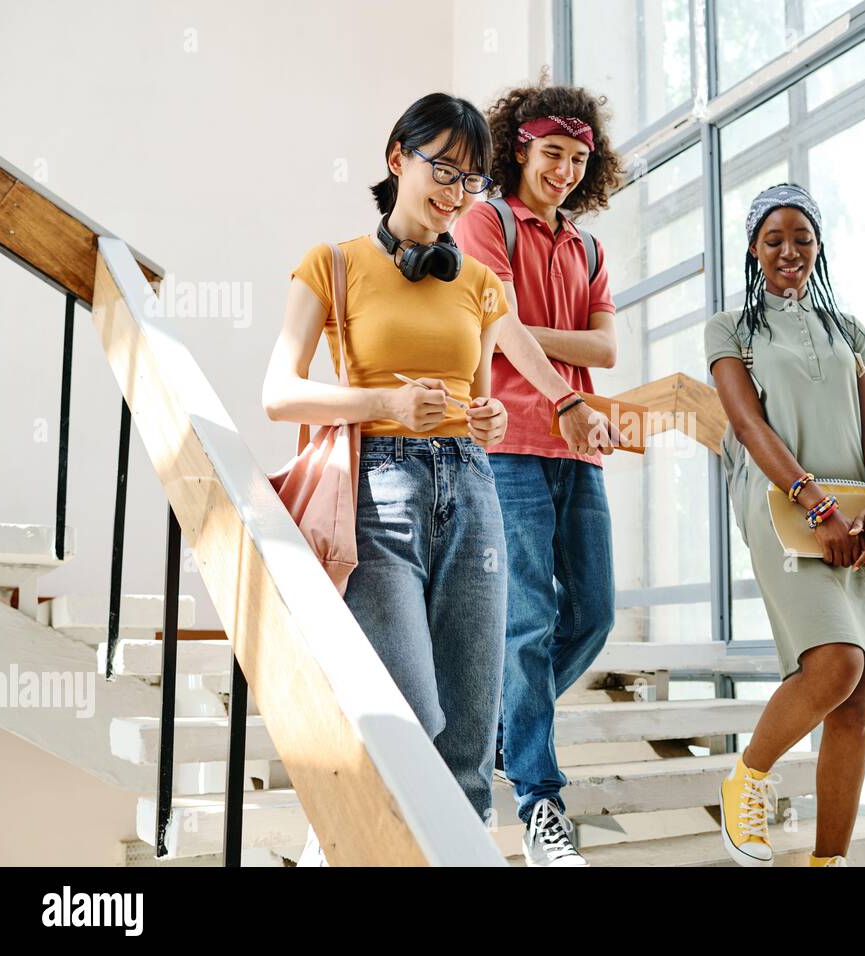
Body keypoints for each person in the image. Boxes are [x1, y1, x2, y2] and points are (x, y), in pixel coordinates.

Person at [262, 92, 567, 865]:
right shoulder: (331, 264)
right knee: (409, 712)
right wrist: (386, 401)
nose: (455, 192)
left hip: (472, 492)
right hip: (377, 496)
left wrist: (489, 420)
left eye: (471, 181)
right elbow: (279, 393)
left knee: (467, 737)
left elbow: (482, 403)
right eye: (443, 168)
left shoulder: (479, 286)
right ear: (397, 157)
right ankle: (342, 838)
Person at [704, 183, 865, 867]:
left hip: (861, 512)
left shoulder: (849, 330)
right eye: (774, 239)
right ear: (753, 248)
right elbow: (746, 424)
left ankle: (830, 861)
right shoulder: (728, 328)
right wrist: (814, 504)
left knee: (856, 700)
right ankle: (748, 776)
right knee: (836, 663)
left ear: (819, 244)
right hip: (781, 505)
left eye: (802, 237)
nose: (789, 251)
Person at [452, 78, 624, 867]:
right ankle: (540, 803)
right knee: (526, 622)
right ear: (519, 148)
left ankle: (496, 731)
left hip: (579, 445)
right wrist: (548, 351)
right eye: (552, 153)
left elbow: (607, 350)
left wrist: (526, 328)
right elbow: (493, 329)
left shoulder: (586, 246)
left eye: (577, 160)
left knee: (591, 613)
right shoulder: (485, 222)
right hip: (514, 441)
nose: (563, 171)